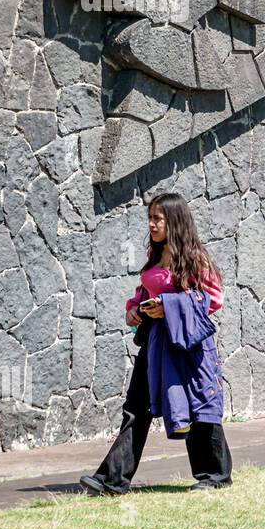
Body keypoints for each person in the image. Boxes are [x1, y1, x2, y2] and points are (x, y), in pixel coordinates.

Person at [80, 192, 233, 494]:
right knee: (136, 407)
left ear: (173, 221)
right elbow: (144, 288)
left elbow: (214, 299)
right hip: (154, 343)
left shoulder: (194, 259)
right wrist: (135, 309)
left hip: (187, 347)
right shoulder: (155, 254)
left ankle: (216, 475)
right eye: (149, 218)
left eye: (157, 219)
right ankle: (113, 479)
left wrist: (169, 306)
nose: (151, 224)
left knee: (199, 404)